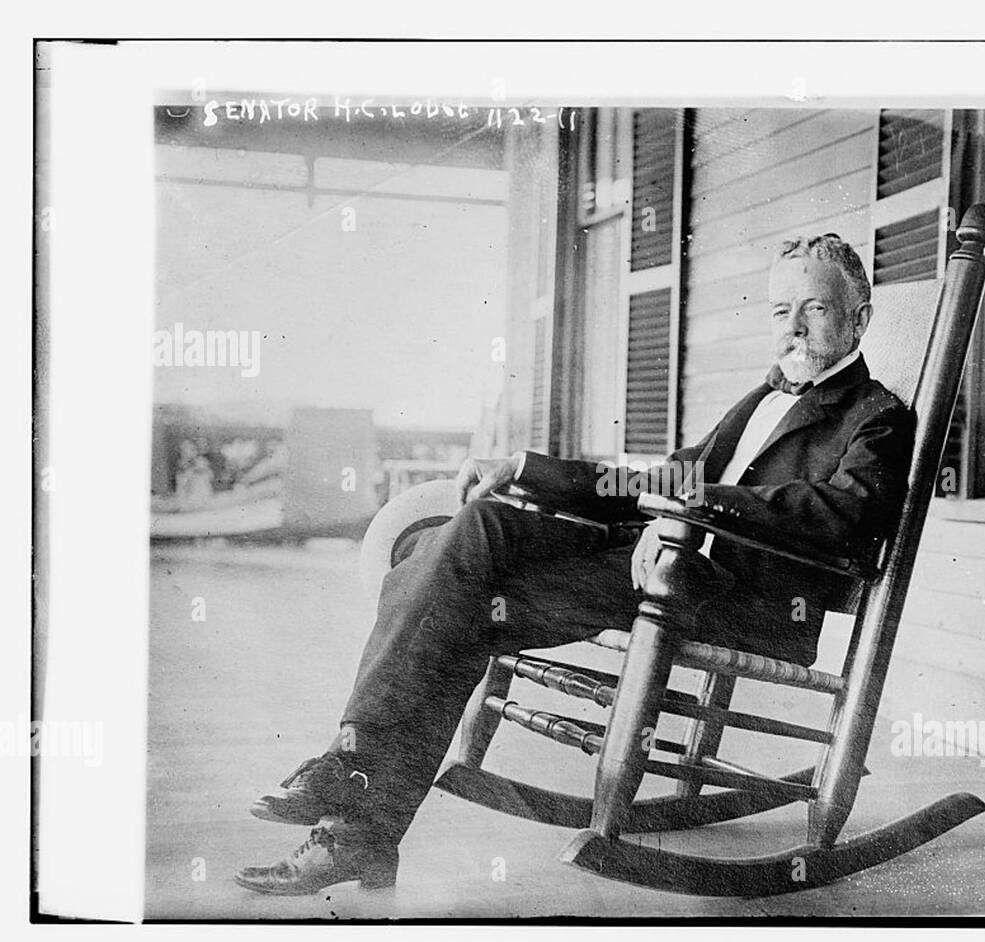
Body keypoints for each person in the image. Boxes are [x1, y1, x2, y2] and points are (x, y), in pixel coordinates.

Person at [235, 233, 915, 895]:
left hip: (734, 595)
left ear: (860, 318)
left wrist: (693, 511)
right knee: (480, 525)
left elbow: (838, 514)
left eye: (815, 309)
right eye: (778, 311)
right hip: (654, 562)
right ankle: (355, 804)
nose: (792, 327)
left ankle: (352, 798)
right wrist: (528, 469)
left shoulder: (878, 416)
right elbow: (664, 478)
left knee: (455, 602)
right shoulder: (764, 394)